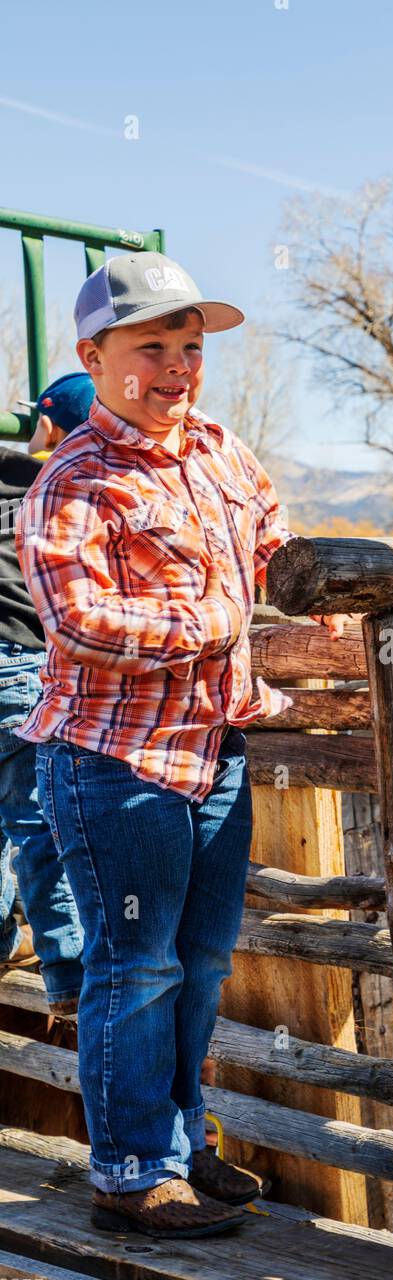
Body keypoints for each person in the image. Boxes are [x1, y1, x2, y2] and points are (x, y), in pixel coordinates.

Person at [15, 251, 353, 1238]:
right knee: (137, 964)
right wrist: (222, 618)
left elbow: (274, 550)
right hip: (114, 762)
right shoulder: (75, 480)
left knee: (201, 961)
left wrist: (327, 596)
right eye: (152, 346)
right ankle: (129, 1170)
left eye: (191, 347)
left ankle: (179, 1143)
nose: (176, 366)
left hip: (213, 750)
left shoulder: (219, 449)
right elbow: (80, 622)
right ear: (95, 353)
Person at [0, 374, 94, 1017]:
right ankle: (66, 976)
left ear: (48, 423)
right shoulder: (63, 484)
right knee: (36, 820)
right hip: (30, 663)